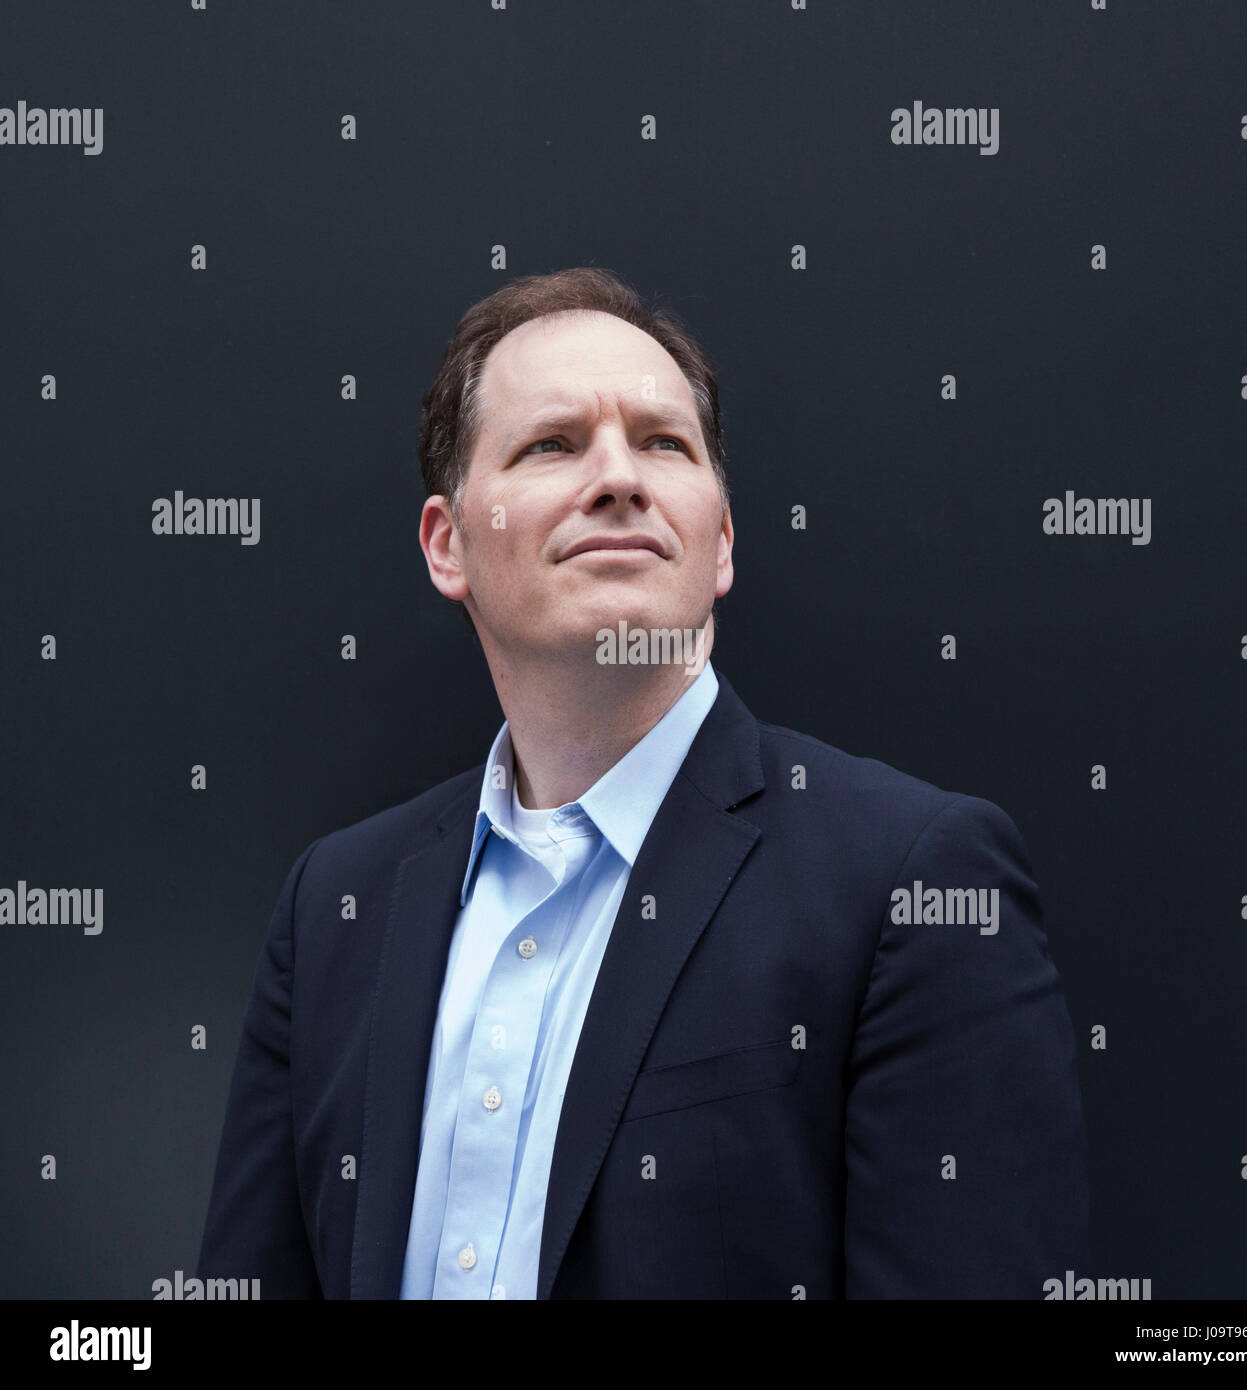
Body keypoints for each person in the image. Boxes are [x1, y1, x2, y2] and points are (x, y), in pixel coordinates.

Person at [197, 267, 1089, 1299]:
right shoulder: (334, 906)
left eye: (664, 443)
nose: (620, 477)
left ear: (720, 542)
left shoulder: (910, 881)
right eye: (553, 444)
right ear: (448, 545)